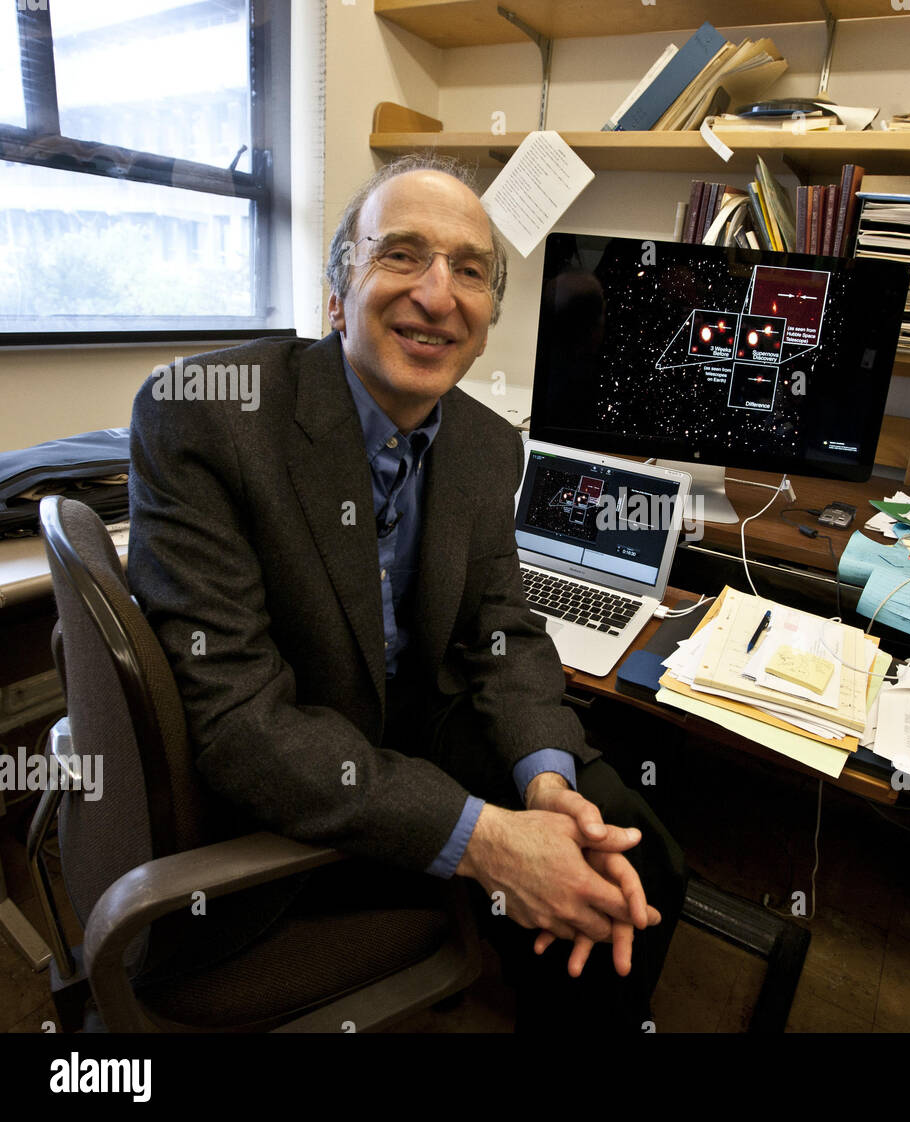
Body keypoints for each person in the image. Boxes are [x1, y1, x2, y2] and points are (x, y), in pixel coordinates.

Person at [127, 153, 685, 1030]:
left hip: (415, 720)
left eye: (469, 270)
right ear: (337, 294)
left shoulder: (488, 446)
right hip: (287, 779)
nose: (438, 293)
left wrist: (543, 781)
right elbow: (238, 724)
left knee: (626, 853)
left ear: (489, 318)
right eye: (401, 255)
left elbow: (502, 627)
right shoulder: (202, 418)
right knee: (534, 862)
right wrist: (487, 841)